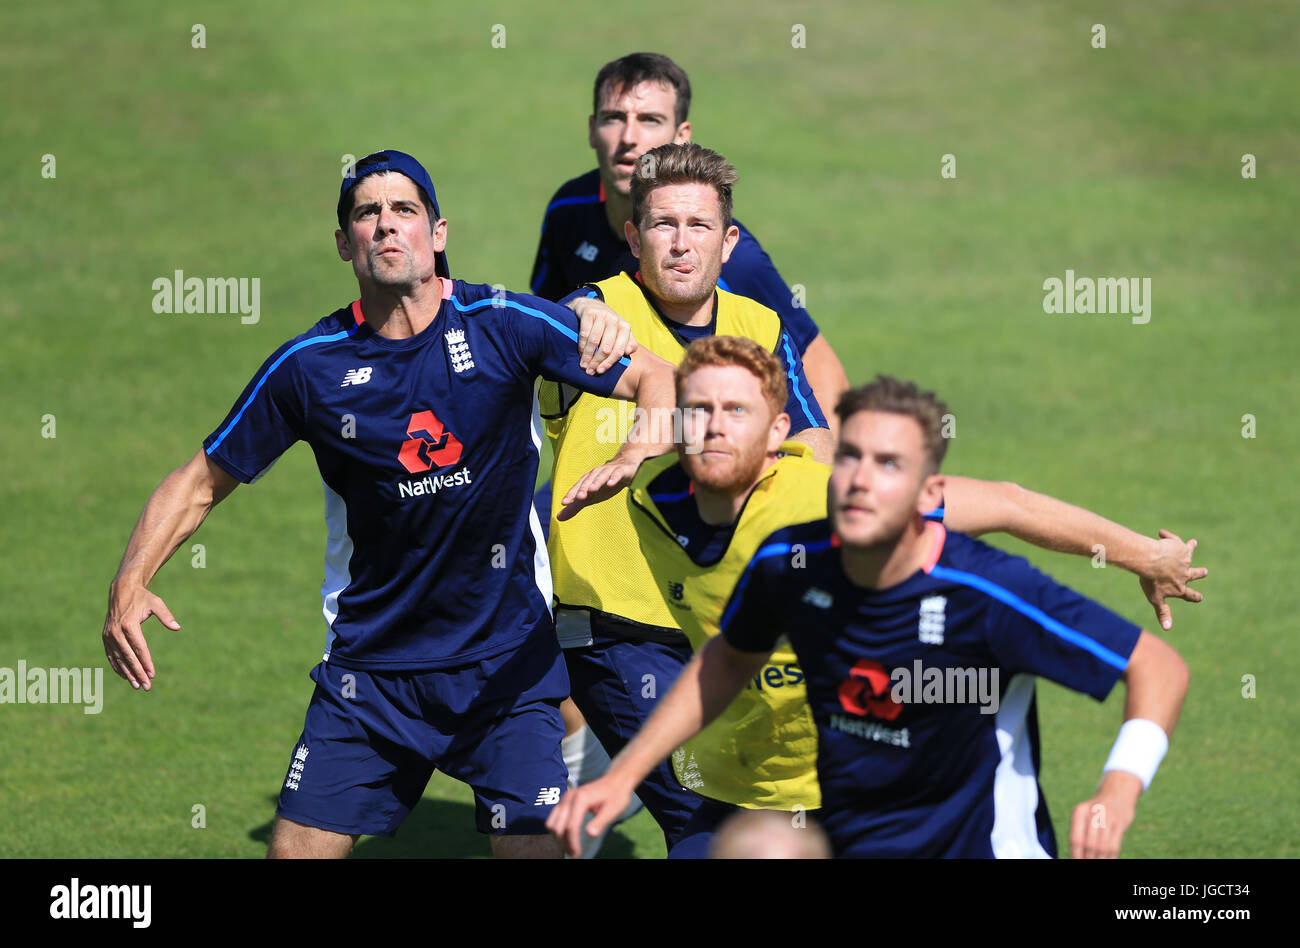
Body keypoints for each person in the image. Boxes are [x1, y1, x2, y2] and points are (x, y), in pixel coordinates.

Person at [101, 149, 676, 859]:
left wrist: (638, 444)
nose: (385, 225)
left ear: (437, 232)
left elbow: (657, 376)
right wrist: (130, 582)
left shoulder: (506, 324)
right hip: (372, 673)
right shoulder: (310, 366)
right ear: (345, 244)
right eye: (366, 214)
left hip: (507, 668)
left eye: (403, 209)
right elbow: (198, 481)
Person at [549, 370, 1194, 858]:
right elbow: (726, 659)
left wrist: (1116, 792)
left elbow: (1157, 668)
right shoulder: (792, 562)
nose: (860, 478)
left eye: (889, 465)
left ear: (930, 492)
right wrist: (624, 775)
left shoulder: (984, 593)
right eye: (851, 456)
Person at [543, 143, 831, 850]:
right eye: (663, 225)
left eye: (699, 226)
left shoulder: (760, 327)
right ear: (633, 237)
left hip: (726, 624)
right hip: (617, 627)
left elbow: (815, 448)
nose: (680, 242)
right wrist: (578, 309)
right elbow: (537, 332)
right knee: (702, 816)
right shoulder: (593, 321)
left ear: (729, 241)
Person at [530, 51, 848, 420]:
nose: (629, 138)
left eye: (650, 120)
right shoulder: (567, 210)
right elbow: (543, 325)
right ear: (591, 129)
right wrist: (579, 305)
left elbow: (822, 372)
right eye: (614, 118)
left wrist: (815, 473)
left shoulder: (731, 257)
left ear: (681, 136)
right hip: (605, 445)